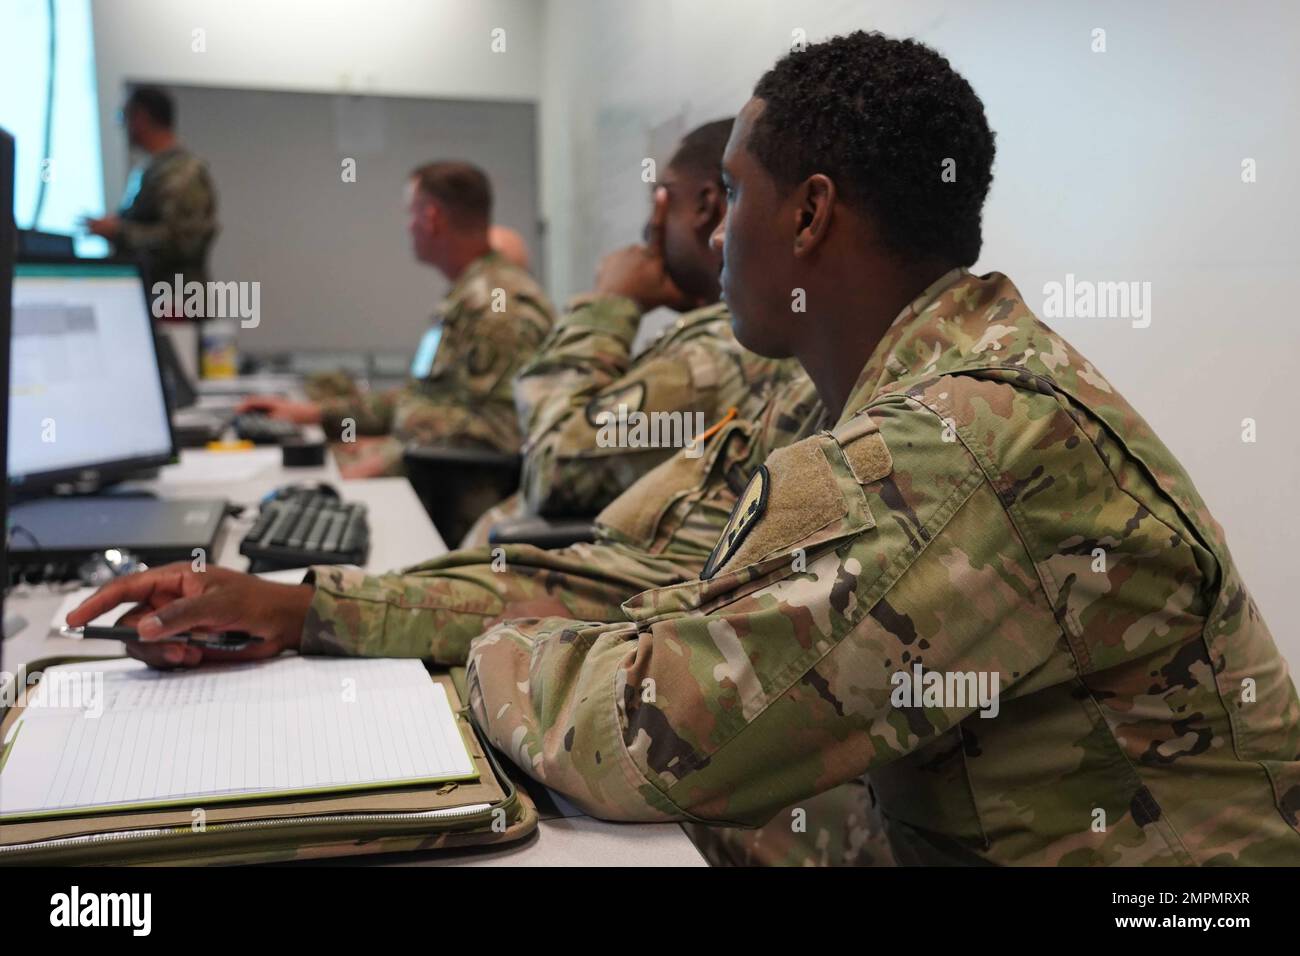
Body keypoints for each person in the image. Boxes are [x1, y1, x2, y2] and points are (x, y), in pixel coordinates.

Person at [456, 33, 1300, 865]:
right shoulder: (943, 382)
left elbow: (650, 738)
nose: (717, 238)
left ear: (810, 215)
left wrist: (492, 647)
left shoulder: (960, 440)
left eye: (734, 195)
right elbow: (720, 623)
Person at [463, 119, 797, 546]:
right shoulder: (740, 333)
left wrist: (608, 306)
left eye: (661, 198)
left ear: (705, 206)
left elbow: (551, 464)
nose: (648, 229)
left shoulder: (721, 351)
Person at [239, 162, 555, 478]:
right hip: (427, 469)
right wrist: (316, 414)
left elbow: (502, 433)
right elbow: (422, 400)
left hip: (450, 496)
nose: (408, 226)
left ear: (432, 218)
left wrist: (387, 459)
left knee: (299, 485)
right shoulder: (467, 297)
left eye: (411, 213)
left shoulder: (499, 307)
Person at [84, 86, 218, 295]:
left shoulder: (183, 173)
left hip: (176, 302)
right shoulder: (152, 170)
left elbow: (183, 240)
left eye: (124, 116)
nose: (123, 126)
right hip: (154, 297)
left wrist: (119, 232)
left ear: (141, 116)